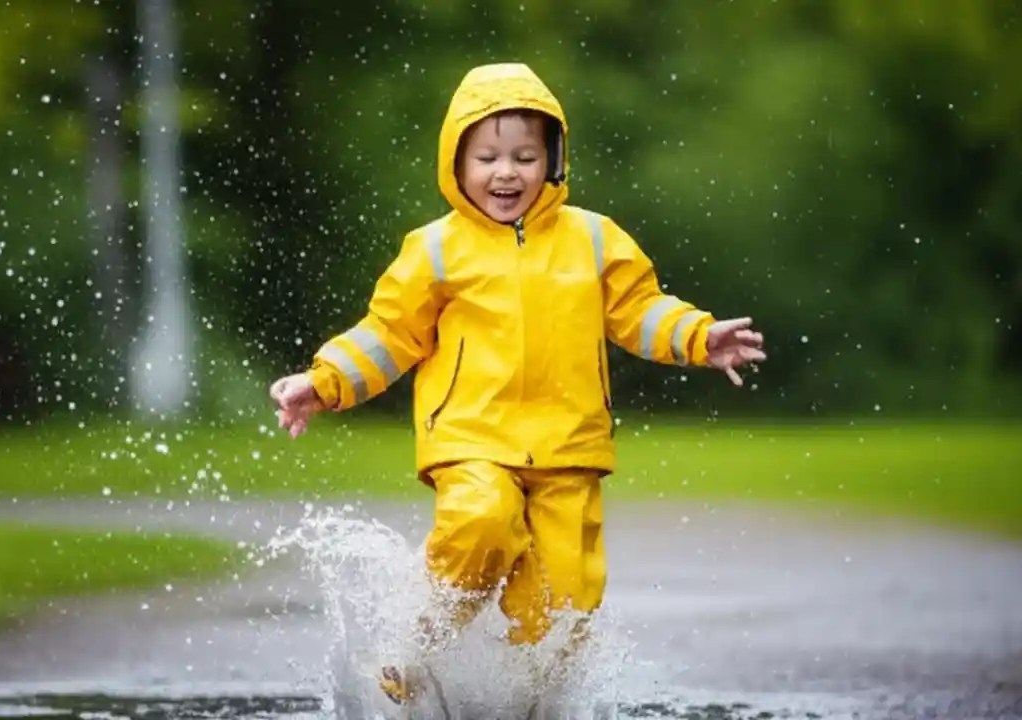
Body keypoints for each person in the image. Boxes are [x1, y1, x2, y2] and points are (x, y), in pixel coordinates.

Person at [269, 62, 766, 703]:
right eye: (487, 157)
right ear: (457, 162)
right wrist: (325, 380)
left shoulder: (592, 238)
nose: (506, 173)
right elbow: (389, 333)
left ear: (551, 161)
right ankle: (414, 645)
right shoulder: (436, 249)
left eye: (525, 156)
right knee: (482, 520)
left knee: (563, 601)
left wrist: (699, 336)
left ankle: (524, 704)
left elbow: (640, 311)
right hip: (472, 439)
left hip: (569, 448)